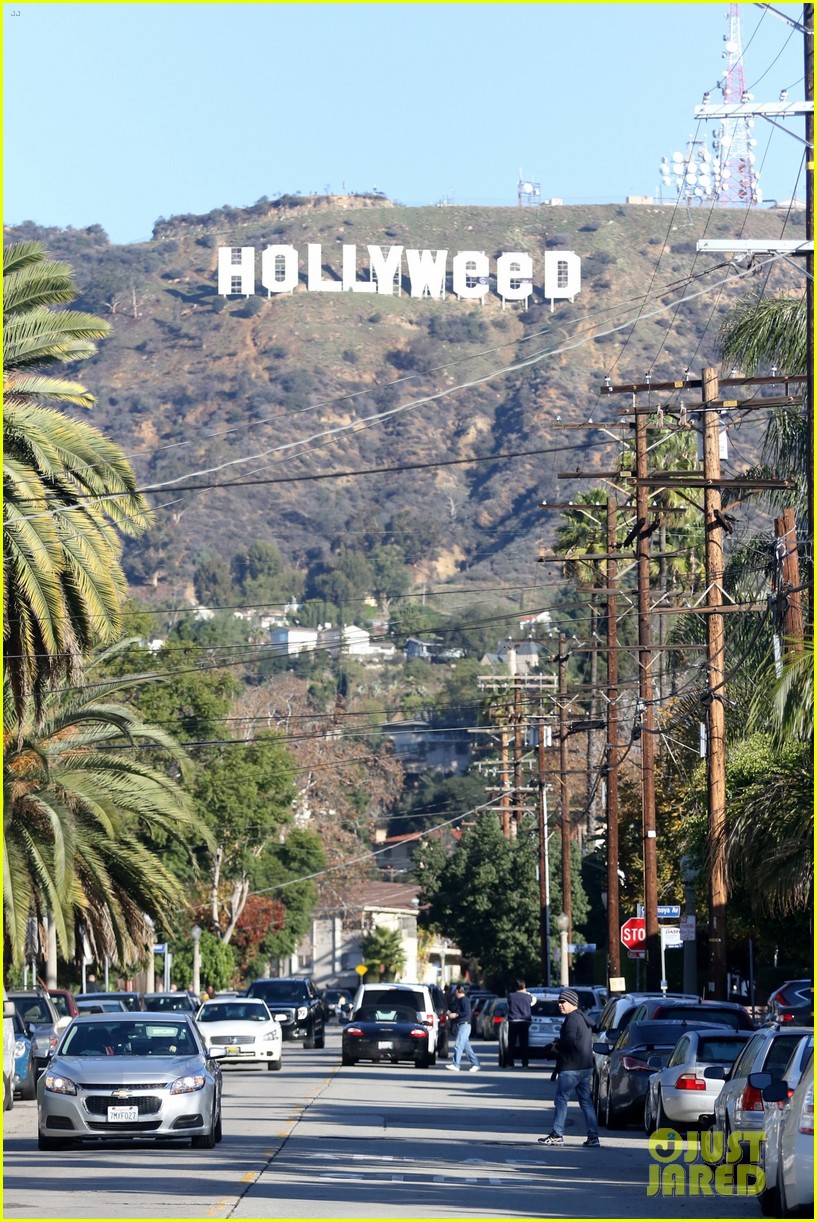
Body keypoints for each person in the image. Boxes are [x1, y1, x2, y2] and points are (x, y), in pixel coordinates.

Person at [538, 988, 600, 1148]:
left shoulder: (572, 1019)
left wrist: (555, 1047)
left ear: (572, 1002)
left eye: (562, 1002)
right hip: (586, 1066)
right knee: (586, 1102)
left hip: (571, 1067)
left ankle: (557, 1134)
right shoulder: (583, 1018)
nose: (560, 1005)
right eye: (558, 1002)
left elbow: (570, 1041)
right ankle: (593, 1137)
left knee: (561, 1100)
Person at [445, 984, 480, 1072]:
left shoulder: (465, 1000)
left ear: (457, 991)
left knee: (458, 1044)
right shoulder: (459, 1000)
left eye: (455, 991)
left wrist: (456, 1015)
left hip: (465, 1025)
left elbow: (467, 1012)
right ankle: (475, 1063)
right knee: (466, 1047)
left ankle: (456, 1065)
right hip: (460, 1024)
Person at [505, 980, 533, 1068]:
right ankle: (525, 1063)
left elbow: (509, 1004)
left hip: (513, 1021)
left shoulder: (511, 996)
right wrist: (527, 993)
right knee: (524, 1043)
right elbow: (533, 1002)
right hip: (524, 1021)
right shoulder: (528, 997)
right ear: (524, 987)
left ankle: (510, 1063)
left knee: (511, 1043)